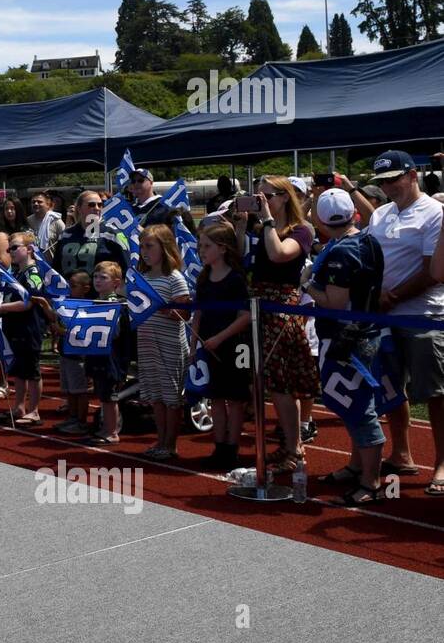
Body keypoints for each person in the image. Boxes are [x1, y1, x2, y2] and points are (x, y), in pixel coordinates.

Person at [354, 151, 444, 489]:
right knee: (392, 388)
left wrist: (391, 297)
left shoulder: (435, 213)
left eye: (394, 179)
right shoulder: (380, 215)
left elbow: (432, 271)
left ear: (412, 175)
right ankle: (402, 454)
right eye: (382, 182)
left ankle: (441, 463)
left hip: (423, 316)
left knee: (435, 394)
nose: (389, 186)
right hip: (385, 317)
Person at [307, 188, 388, 504]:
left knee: (357, 408)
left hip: (348, 338)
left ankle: (371, 481)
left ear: (322, 220)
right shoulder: (366, 239)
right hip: (364, 331)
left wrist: (308, 286)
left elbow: (334, 302)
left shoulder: (342, 252)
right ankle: (358, 466)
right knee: (353, 405)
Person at [234, 175, 320, 471]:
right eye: (259, 197)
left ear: (285, 197)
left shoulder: (302, 230)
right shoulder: (263, 227)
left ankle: (294, 450)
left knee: (283, 385)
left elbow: (279, 254)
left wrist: (267, 219)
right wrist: (242, 226)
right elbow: (241, 259)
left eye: (267, 196)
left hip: (281, 309)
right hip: (261, 306)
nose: (262, 202)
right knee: (274, 385)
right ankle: (289, 447)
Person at [191, 221, 252, 468]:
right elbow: (198, 315)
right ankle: (219, 447)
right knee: (215, 397)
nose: (202, 251)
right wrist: (193, 344)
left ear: (223, 248)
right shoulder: (204, 279)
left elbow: (245, 315)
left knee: (236, 399)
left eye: (207, 246)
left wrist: (220, 338)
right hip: (209, 346)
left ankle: (232, 448)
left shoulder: (236, 279)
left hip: (237, 345)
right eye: (200, 246)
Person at [135, 223, 191, 460]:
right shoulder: (142, 278)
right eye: (142, 246)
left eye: (149, 246)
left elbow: (185, 313)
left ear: (165, 248)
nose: (144, 251)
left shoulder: (174, 278)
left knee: (171, 399)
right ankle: (160, 441)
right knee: (156, 398)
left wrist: (164, 309)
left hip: (169, 347)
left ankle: (170, 444)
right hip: (147, 345)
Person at [0, 231, 49, 424]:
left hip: (29, 327)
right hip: (14, 326)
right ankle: (19, 407)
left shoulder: (33, 273)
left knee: (31, 371)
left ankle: (34, 410)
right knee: (20, 370)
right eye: (9, 249)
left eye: (14, 247)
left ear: (29, 249)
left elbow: (28, 303)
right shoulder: (16, 273)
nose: (10, 252)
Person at [85, 261, 130, 445]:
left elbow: (116, 331)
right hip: (97, 354)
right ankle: (105, 428)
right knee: (102, 394)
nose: (97, 280)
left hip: (112, 357)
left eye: (103, 277)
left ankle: (112, 431)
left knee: (110, 396)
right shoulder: (96, 301)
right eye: (95, 276)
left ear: (116, 283)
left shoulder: (116, 304)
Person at [53, 270, 94, 435]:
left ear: (85, 288)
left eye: (73, 285)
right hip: (66, 352)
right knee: (70, 390)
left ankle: (81, 421)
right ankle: (72, 417)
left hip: (78, 353)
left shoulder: (86, 306)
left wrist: (60, 331)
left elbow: (80, 331)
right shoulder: (68, 302)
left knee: (80, 390)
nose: (69, 288)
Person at [53, 190, 128, 278]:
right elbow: (56, 268)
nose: (97, 208)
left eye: (100, 205)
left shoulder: (112, 234)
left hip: (100, 290)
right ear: (79, 208)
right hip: (70, 290)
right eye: (91, 205)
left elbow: (126, 268)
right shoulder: (65, 235)